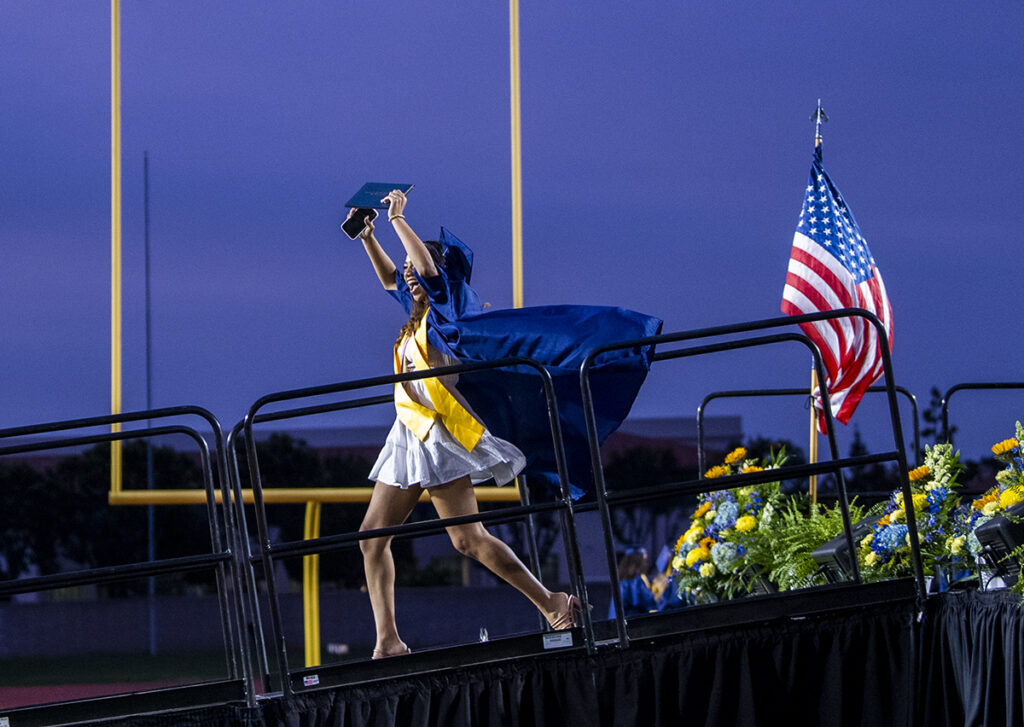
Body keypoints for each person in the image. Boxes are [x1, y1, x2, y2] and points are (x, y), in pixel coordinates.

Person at [349, 190, 581, 659]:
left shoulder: (449, 313)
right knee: (372, 539)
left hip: (439, 436)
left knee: (467, 540)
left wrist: (396, 219)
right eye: (410, 275)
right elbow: (391, 277)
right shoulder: (416, 318)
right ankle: (388, 641)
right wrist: (368, 237)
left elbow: (427, 271)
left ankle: (553, 602)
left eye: (418, 272)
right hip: (408, 434)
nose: (411, 278)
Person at [608, 547, 659, 619]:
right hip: (632, 621)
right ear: (638, 561)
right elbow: (638, 600)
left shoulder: (623, 581)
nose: (646, 563)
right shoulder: (635, 581)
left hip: (619, 620)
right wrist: (655, 595)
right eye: (644, 560)